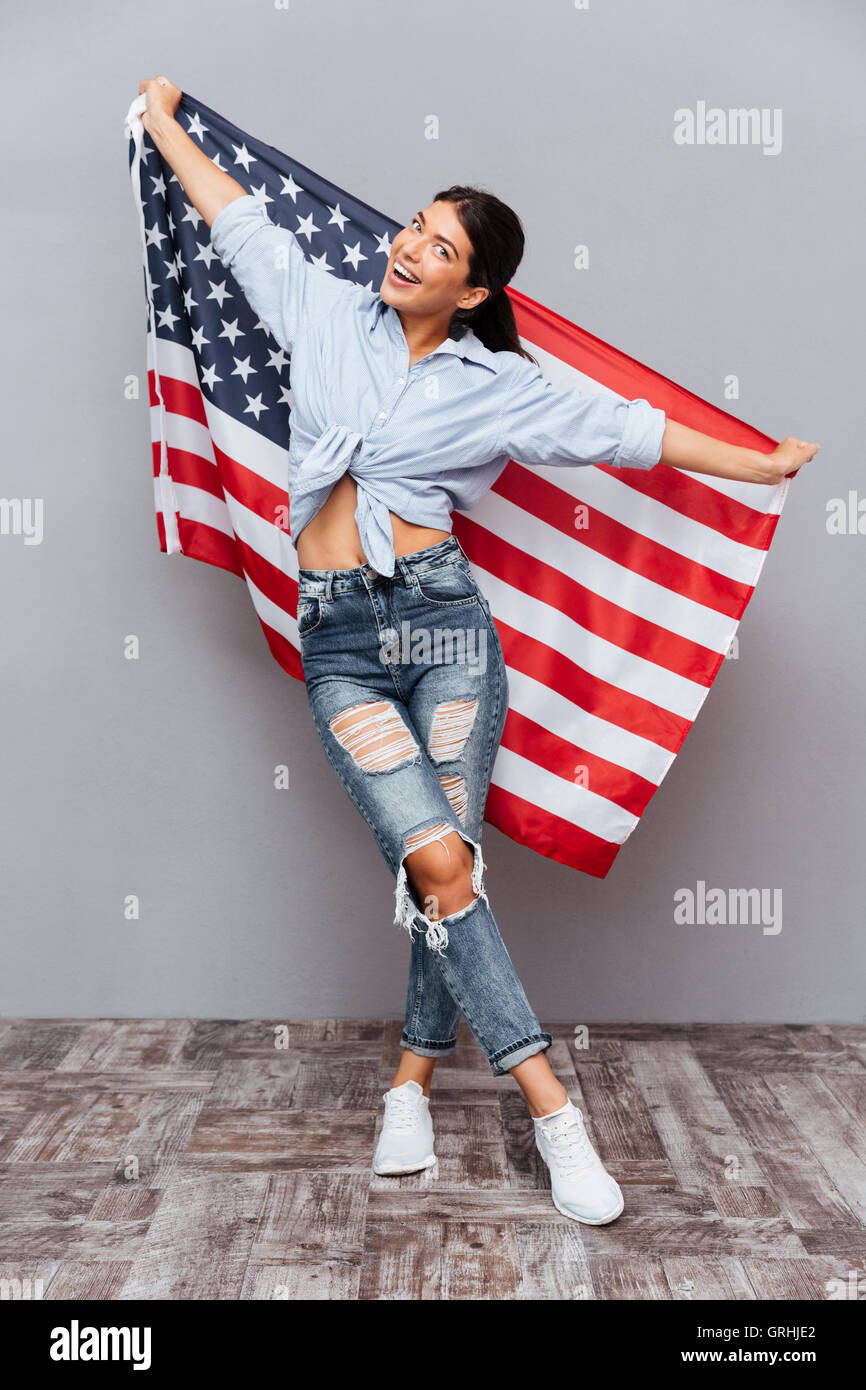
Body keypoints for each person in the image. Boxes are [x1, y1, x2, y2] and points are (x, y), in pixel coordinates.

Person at [137, 76, 820, 1226]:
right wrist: (162, 122)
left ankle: (415, 1088)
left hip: (447, 632)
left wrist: (755, 467)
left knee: (440, 869)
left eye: (437, 244)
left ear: (475, 286)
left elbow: (624, 429)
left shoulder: (499, 387)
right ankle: (550, 1104)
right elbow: (236, 214)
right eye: (413, 224)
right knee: (440, 870)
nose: (406, 244)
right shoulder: (314, 309)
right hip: (343, 637)